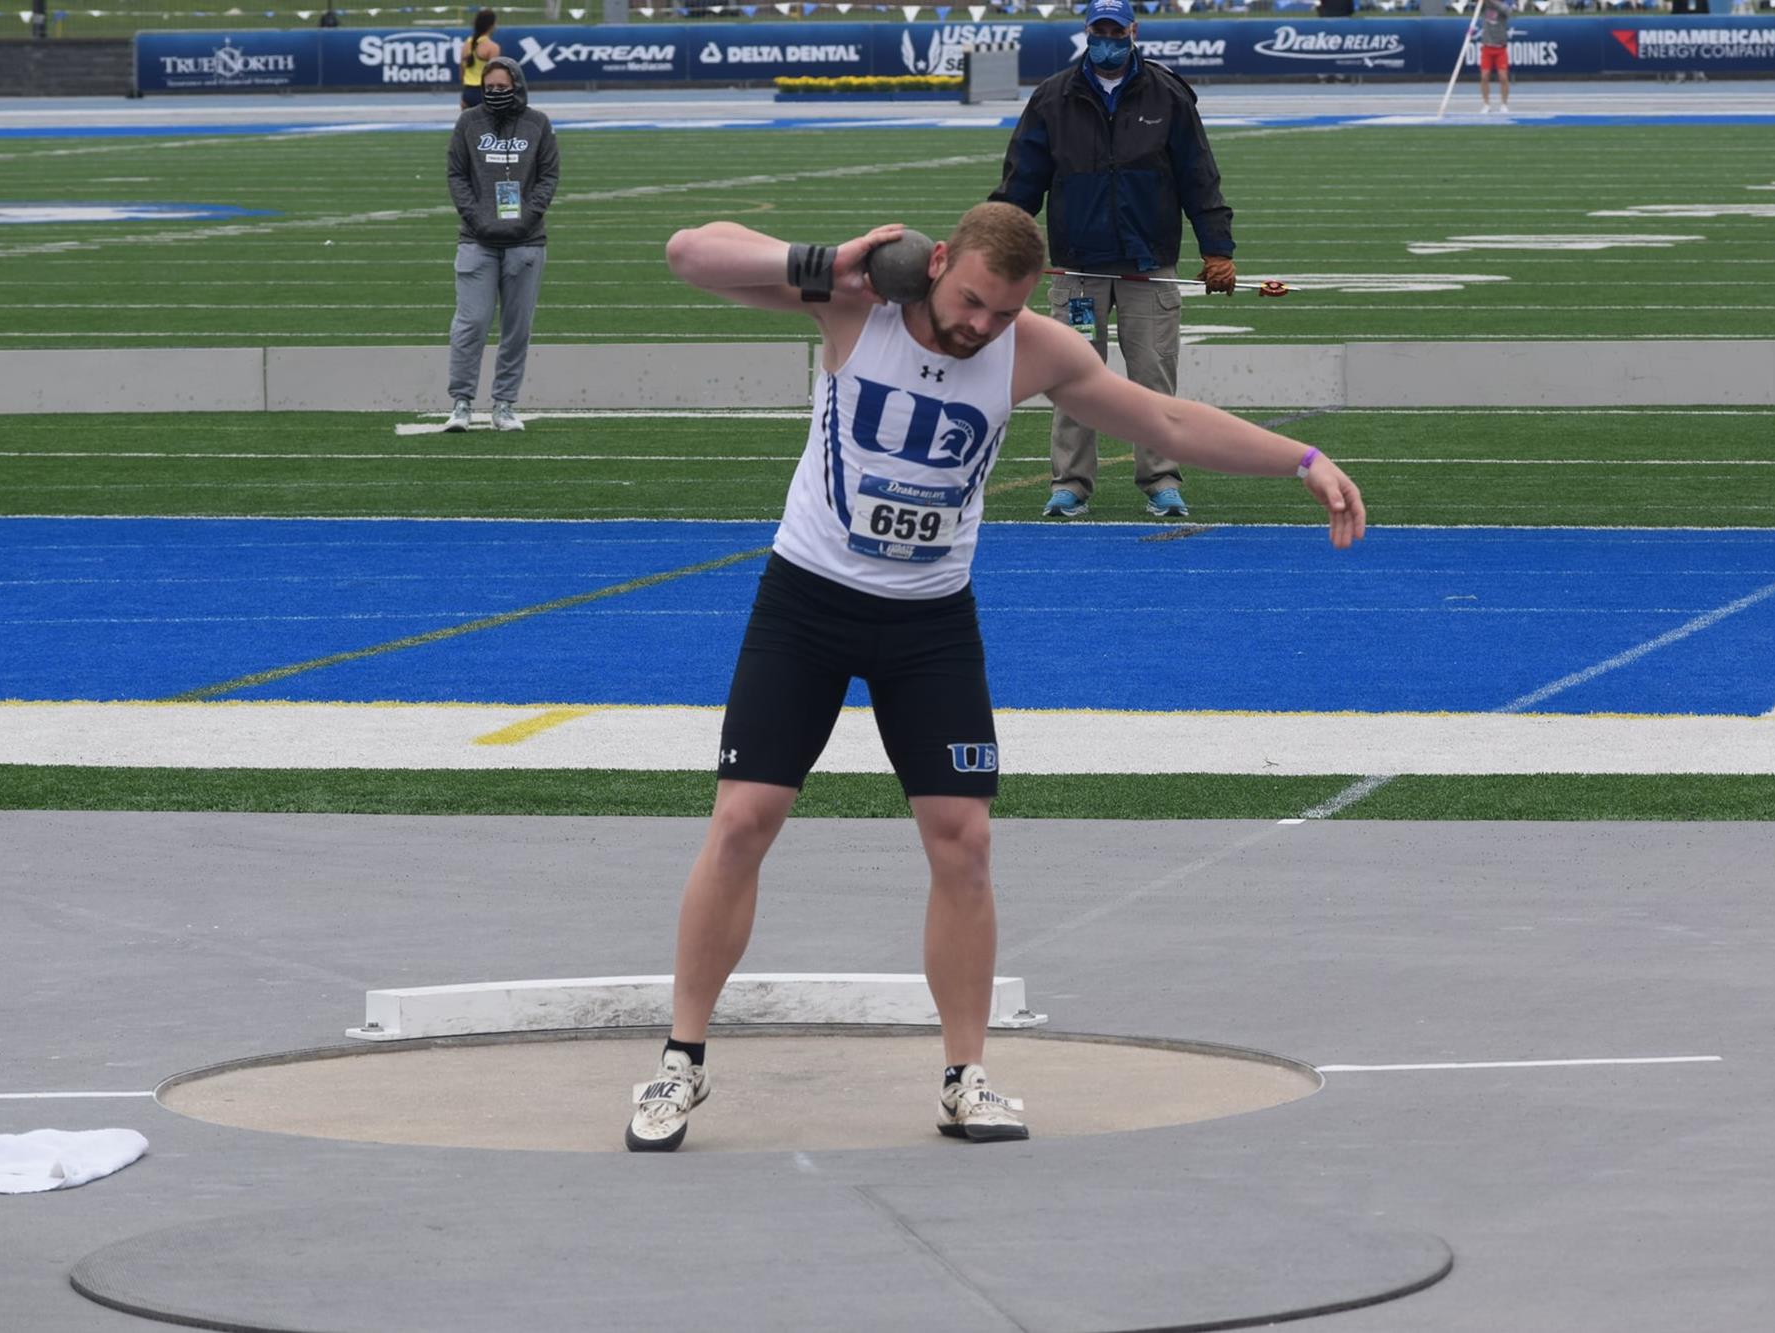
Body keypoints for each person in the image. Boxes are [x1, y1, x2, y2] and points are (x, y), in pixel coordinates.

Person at [625, 202, 1364, 1153]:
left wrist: (1300, 459)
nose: (979, 326)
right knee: (742, 819)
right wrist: (823, 260)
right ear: (935, 263)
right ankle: (681, 1063)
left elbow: (1165, 417)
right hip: (807, 599)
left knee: (963, 838)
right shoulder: (853, 303)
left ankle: (965, 1075)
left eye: (1003, 313)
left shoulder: (1036, 351)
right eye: (972, 300)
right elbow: (691, 251)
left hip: (931, 619)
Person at [989, 0, 1237, 521]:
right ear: (1086, 33)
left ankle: (1162, 480)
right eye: (1098, 32)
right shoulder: (1053, 97)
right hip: (1078, 267)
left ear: (1133, 31)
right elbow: (1021, 181)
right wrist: (992, 247)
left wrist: (1217, 249)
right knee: (1072, 377)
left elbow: (1199, 175)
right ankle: (1070, 485)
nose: (1107, 41)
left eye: (1115, 31)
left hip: (1149, 263)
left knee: (1153, 378)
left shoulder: (1168, 94)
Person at [444, 56, 558, 434]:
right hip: (476, 240)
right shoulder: (468, 123)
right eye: (489, 88)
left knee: (516, 327)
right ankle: (461, 402)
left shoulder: (538, 123)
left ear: (518, 87)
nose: (495, 93)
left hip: (526, 241)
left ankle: (504, 405)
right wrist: (475, 217)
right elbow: (456, 174)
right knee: (470, 323)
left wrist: (526, 217)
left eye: (502, 88)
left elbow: (548, 176)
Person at [457, 8, 501, 113]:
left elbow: (461, 73)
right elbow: (494, 75)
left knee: (469, 127)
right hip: (483, 92)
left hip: (468, 92)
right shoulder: (492, 47)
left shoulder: (466, 44)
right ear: (491, 25)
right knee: (490, 128)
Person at [1476, 0, 1512, 115]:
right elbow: (1476, 8)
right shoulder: (1484, 5)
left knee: (1503, 77)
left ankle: (1504, 104)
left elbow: (1507, 11)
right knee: (1484, 76)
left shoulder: (1504, 4)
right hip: (1487, 47)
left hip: (1500, 48)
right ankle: (1486, 104)